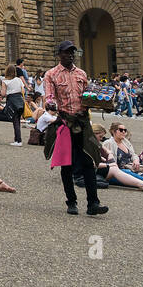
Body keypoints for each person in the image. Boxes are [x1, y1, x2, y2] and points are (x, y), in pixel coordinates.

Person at [42, 40, 106, 217]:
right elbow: (49, 96)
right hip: (65, 122)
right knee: (67, 164)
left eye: (72, 52)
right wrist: (51, 104)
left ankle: (93, 203)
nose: (70, 55)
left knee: (88, 161)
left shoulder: (81, 73)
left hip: (83, 122)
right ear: (59, 54)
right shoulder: (51, 75)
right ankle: (71, 202)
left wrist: (101, 101)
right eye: (66, 52)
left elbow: (88, 96)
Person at [2, 63, 27, 146]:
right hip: (20, 100)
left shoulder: (5, 81)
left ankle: (18, 140)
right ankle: (17, 139)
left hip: (12, 101)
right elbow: (23, 90)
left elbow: (3, 93)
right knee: (17, 120)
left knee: (15, 121)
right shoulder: (18, 80)